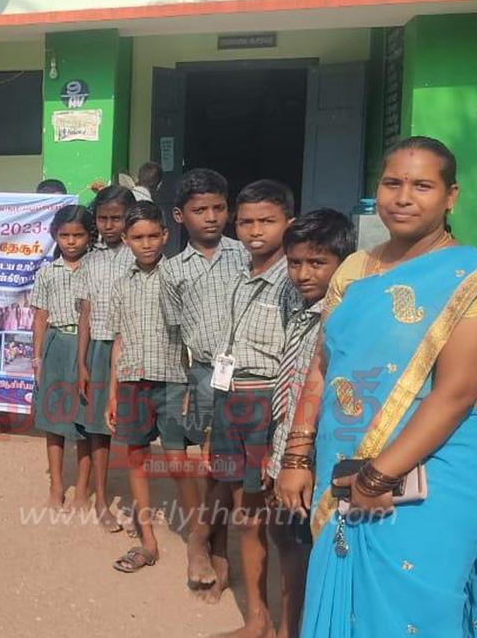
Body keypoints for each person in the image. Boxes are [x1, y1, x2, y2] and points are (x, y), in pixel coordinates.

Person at [275, 136, 477, 636]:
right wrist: (296, 455)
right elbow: (321, 365)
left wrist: (377, 477)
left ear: (450, 196)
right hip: (342, 464)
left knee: (418, 611)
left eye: (422, 185)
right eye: (392, 183)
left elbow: (456, 394)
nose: (403, 197)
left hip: (432, 476)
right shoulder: (355, 269)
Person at [203, 180, 294, 637]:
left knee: (278, 522)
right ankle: (256, 618)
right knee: (246, 515)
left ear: (288, 224)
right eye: (246, 221)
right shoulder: (241, 273)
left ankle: (285, 622)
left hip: (267, 404)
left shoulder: (294, 281)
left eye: (267, 220)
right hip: (230, 396)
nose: (255, 230)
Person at [264, 208, 354, 638]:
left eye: (317, 263)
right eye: (295, 262)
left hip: (317, 457)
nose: (302, 273)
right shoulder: (294, 304)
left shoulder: (345, 315)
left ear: (342, 262)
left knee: (310, 547)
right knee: (286, 540)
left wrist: (299, 459)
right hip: (285, 447)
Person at [160, 168, 248, 599]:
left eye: (218, 208)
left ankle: (205, 545)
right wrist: (184, 390)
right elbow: (176, 338)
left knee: (234, 474)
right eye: (199, 210)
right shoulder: (172, 272)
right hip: (205, 376)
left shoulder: (248, 255)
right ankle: (215, 557)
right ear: (180, 216)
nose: (210, 217)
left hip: (251, 377)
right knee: (218, 469)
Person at [104, 202, 186, 573]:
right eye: (138, 237)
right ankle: (148, 540)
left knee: (177, 462)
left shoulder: (179, 277)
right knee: (136, 458)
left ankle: (199, 538)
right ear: (125, 240)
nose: (147, 244)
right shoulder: (121, 285)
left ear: (165, 236)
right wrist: (112, 392)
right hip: (133, 380)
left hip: (173, 380)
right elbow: (118, 342)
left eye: (154, 235)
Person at [70, 186, 135, 531]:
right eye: (104, 218)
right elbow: (85, 313)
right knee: (95, 427)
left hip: (133, 348)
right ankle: (100, 499)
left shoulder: (139, 254)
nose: (110, 225)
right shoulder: (90, 260)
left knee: (133, 425)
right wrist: (81, 362)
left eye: (117, 218)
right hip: (98, 347)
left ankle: (142, 503)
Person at [28, 204, 95, 511]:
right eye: (65, 235)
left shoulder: (97, 268)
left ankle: (82, 488)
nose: (71, 242)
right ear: (55, 235)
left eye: (78, 235)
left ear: (88, 236)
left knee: (84, 422)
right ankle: (56, 486)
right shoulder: (47, 271)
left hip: (88, 348)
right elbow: (40, 316)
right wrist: (37, 357)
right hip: (55, 345)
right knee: (53, 419)